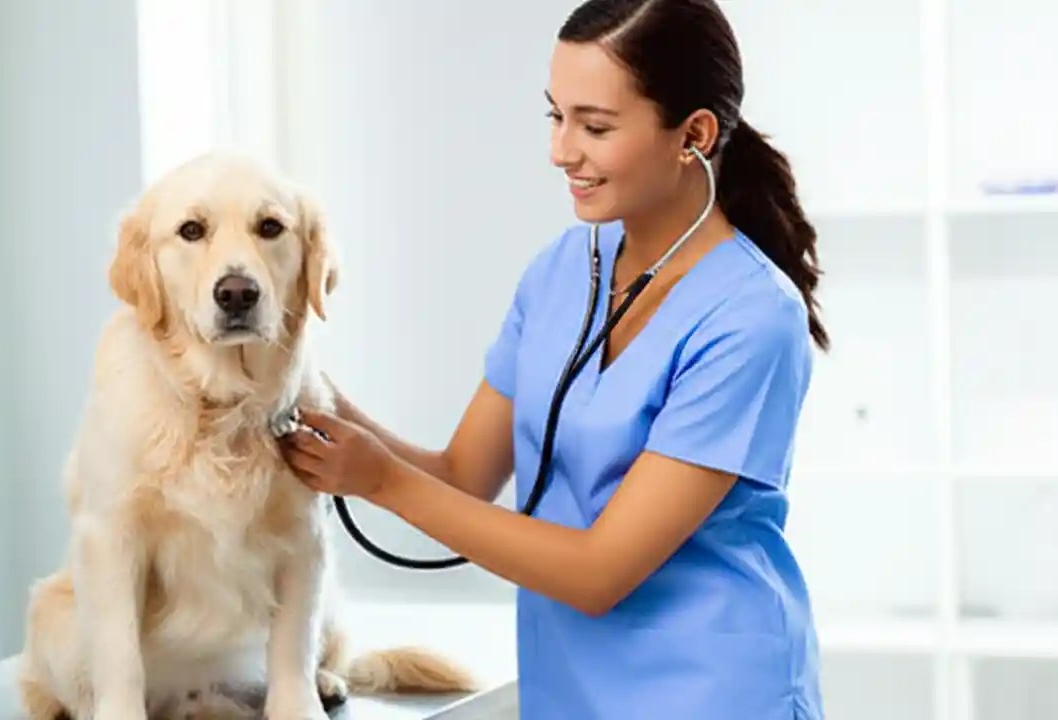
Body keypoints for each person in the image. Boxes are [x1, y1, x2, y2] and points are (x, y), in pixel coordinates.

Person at [280, 0, 827, 717]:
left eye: (595, 126)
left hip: (712, 691)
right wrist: (302, 388)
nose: (561, 151)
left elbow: (600, 570)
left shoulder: (751, 318)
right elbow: (462, 477)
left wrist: (376, 481)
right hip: (569, 691)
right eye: (555, 116)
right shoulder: (562, 271)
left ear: (692, 135)